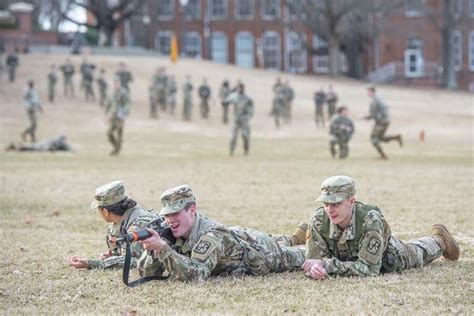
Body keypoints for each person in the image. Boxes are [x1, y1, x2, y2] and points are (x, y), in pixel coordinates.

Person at [303, 175, 460, 280]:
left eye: (336, 203)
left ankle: (440, 240)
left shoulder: (370, 221)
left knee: (418, 253)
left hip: (389, 257)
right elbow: (314, 261)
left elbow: (369, 269)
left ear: (351, 201)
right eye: (326, 204)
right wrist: (316, 269)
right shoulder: (318, 220)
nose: (330, 210)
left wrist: (327, 265)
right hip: (347, 258)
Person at [139, 184, 307, 281]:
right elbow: (147, 274)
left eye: (175, 213)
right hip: (235, 236)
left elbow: (197, 275)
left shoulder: (211, 235)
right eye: (167, 215)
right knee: (279, 240)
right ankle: (291, 238)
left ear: (192, 210)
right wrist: (153, 250)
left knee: (300, 255)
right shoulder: (172, 230)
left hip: (260, 252)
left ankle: (301, 241)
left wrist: (163, 249)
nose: (170, 220)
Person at [68, 181, 158, 270]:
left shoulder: (137, 225)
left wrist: (93, 263)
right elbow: (125, 251)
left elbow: (134, 261)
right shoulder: (122, 218)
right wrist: (113, 255)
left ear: (105, 212)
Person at [364, 85, 402, 159]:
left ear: (372, 91)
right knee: (381, 138)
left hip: (381, 122)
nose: (367, 93)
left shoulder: (374, 101)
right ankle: (396, 137)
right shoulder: (379, 99)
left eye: (368, 91)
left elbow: (373, 114)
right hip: (385, 121)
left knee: (373, 139)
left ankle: (383, 155)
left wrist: (364, 117)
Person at [226, 83, 254, 156]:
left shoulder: (247, 98)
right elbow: (226, 101)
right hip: (236, 119)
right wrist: (225, 102)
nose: (240, 89)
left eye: (241, 88)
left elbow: (251, 106)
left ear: (243, 88)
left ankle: (246, 150)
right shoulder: (234, 96)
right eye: (239, 88)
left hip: (244, 119)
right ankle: (231, 151)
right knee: (233, 137)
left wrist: (249, 114)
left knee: (245, 136)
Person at [105, 77, 130, 155]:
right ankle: (116, 147)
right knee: (109, 133)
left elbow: (127, 104)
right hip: (113, 116)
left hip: (120, 115)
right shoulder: (112, 93)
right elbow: (108, 104)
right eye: (115, 83)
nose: (116, 85)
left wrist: (124, 114)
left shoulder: (123, 92)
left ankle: (117, 150)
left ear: (120, 83)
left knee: (119, 133)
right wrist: (106, 115)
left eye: (117, 83)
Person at [6, 135, 72, 152]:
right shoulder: (62, 142)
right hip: (46, 146)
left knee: (33, 146)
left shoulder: (56, 139)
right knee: (33, 148)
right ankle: (19, 147)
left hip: (45, 142)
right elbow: (68, 148)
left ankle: (17, 146)